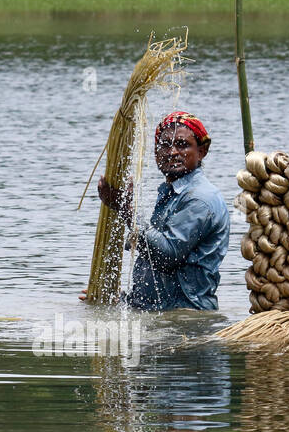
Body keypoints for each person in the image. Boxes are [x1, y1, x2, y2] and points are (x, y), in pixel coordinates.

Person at [85, 111, 230, 310]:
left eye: (182, 145)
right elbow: (152, 261)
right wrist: (121, 300)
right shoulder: (173, 193)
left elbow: (167, 255)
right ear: (155, 153)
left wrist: (127, 210)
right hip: (160, 312)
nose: (171, 153)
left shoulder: (200, 199)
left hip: (186, 316)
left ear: (202, 151)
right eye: (164, 145)